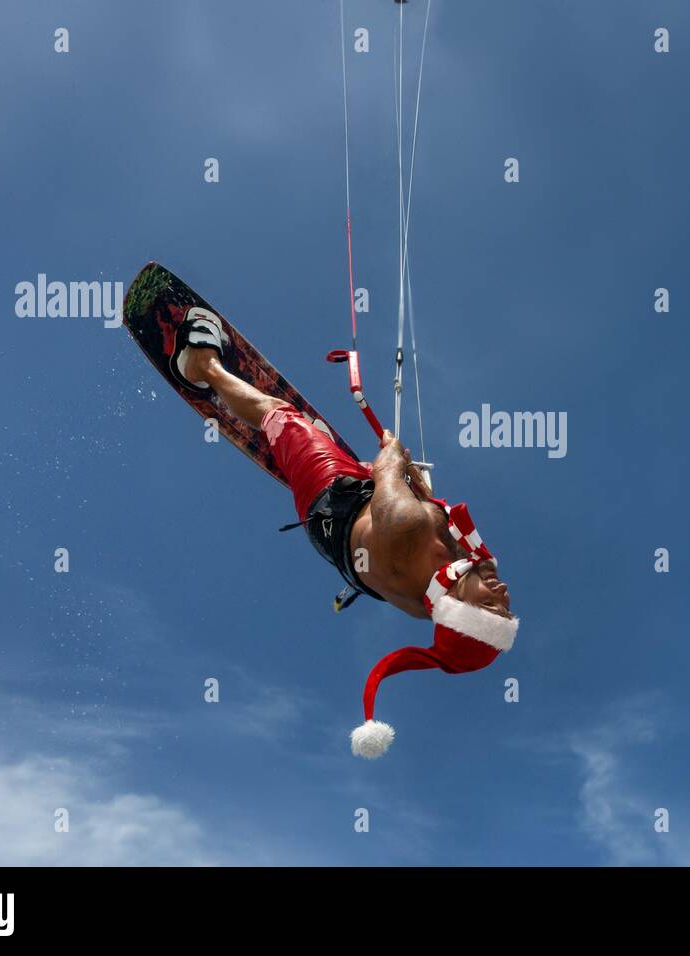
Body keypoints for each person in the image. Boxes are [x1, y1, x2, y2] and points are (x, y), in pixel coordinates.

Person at [171, 309, 517, 757]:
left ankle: (202, 366)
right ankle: (289, 454)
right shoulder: (426, 607)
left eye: (492, 602)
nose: (503, 590)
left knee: (285, 419)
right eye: (506, 604)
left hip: (334, 500)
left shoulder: (412, 530)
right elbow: (457, 555)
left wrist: (395, 454)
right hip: (350, 537)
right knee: (313, 454)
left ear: (459, 608)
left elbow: (387, 466)